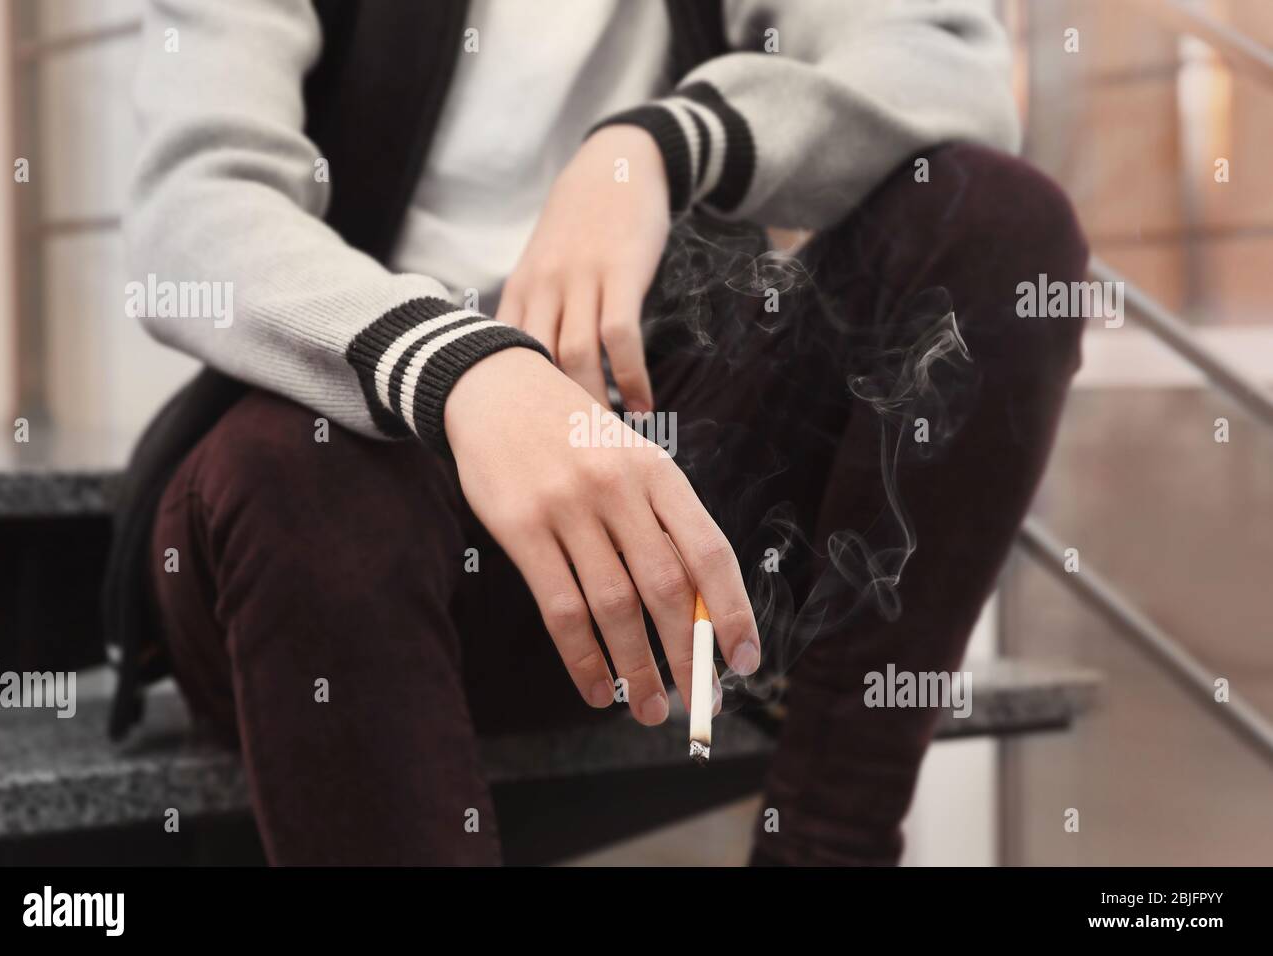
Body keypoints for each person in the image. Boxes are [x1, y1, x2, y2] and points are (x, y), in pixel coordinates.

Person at [108, 0, 1088, 865]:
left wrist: (661, 145)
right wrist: (459, 366)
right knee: (296, 471)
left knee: (1003, 221)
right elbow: (196, 202)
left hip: (646, 518)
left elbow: (944, 59)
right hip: (340, 542)